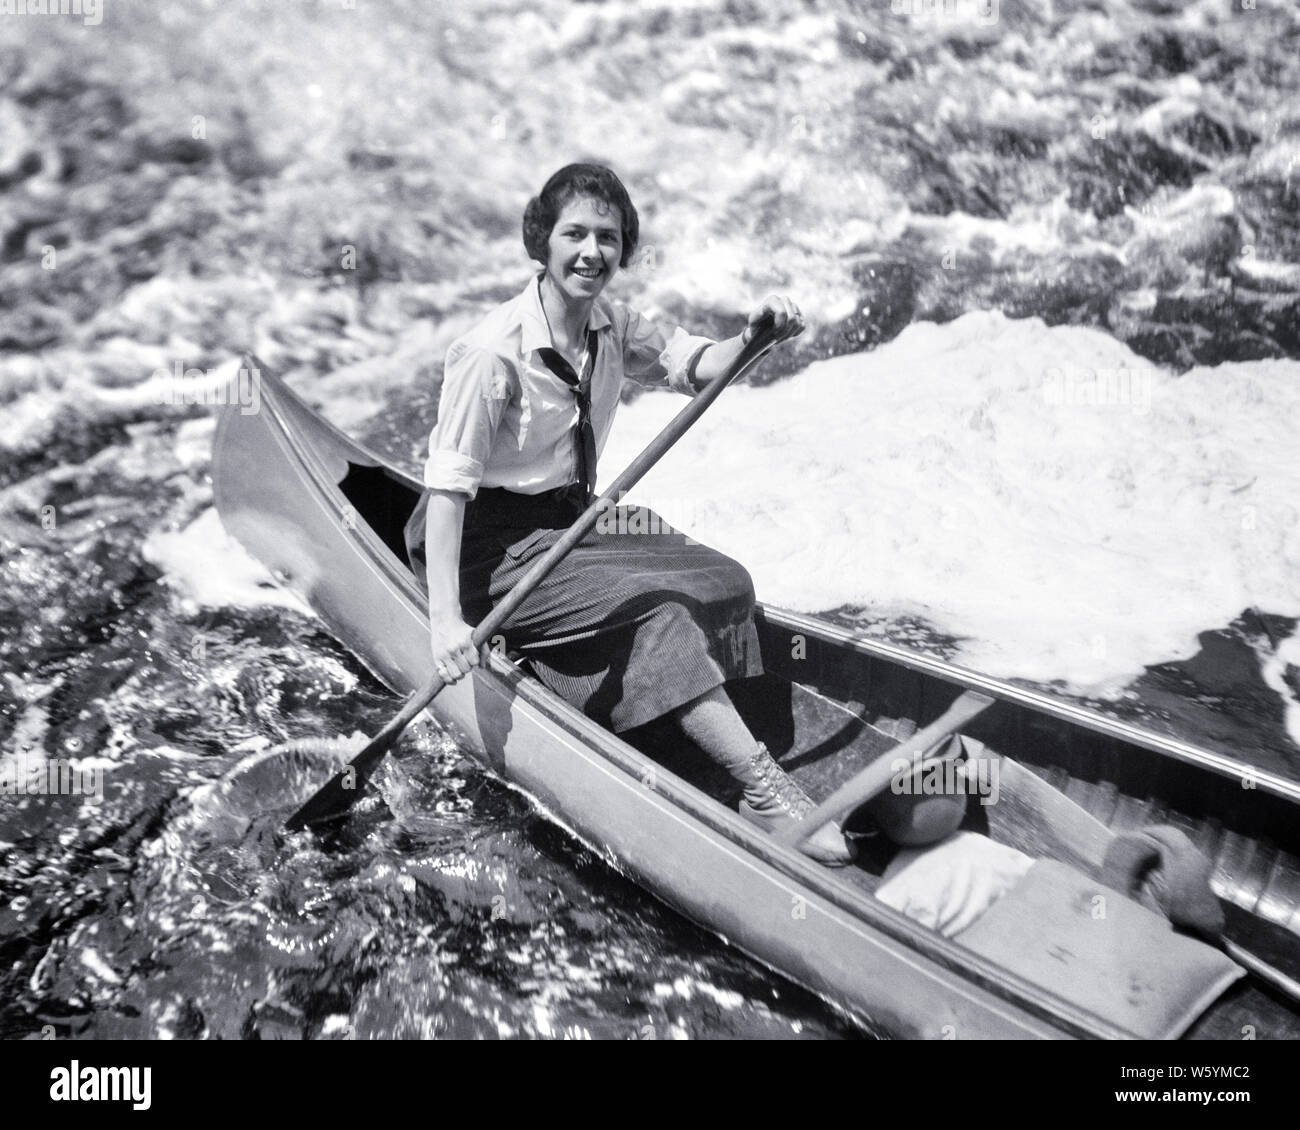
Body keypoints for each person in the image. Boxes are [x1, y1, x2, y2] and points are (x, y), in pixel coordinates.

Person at [407, 162, 851, 865]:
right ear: (541, 243)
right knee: (657, 615)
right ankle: (762, 789)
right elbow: (446, 491)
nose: (592, 252)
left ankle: (670, 706)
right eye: (574, 234)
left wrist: (756, 338)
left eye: (607, 238)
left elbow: (696, 364)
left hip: (565, 520)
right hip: (483, 550)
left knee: (722, 579)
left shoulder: (612, 323)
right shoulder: (490, 355)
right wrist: (443, 624)